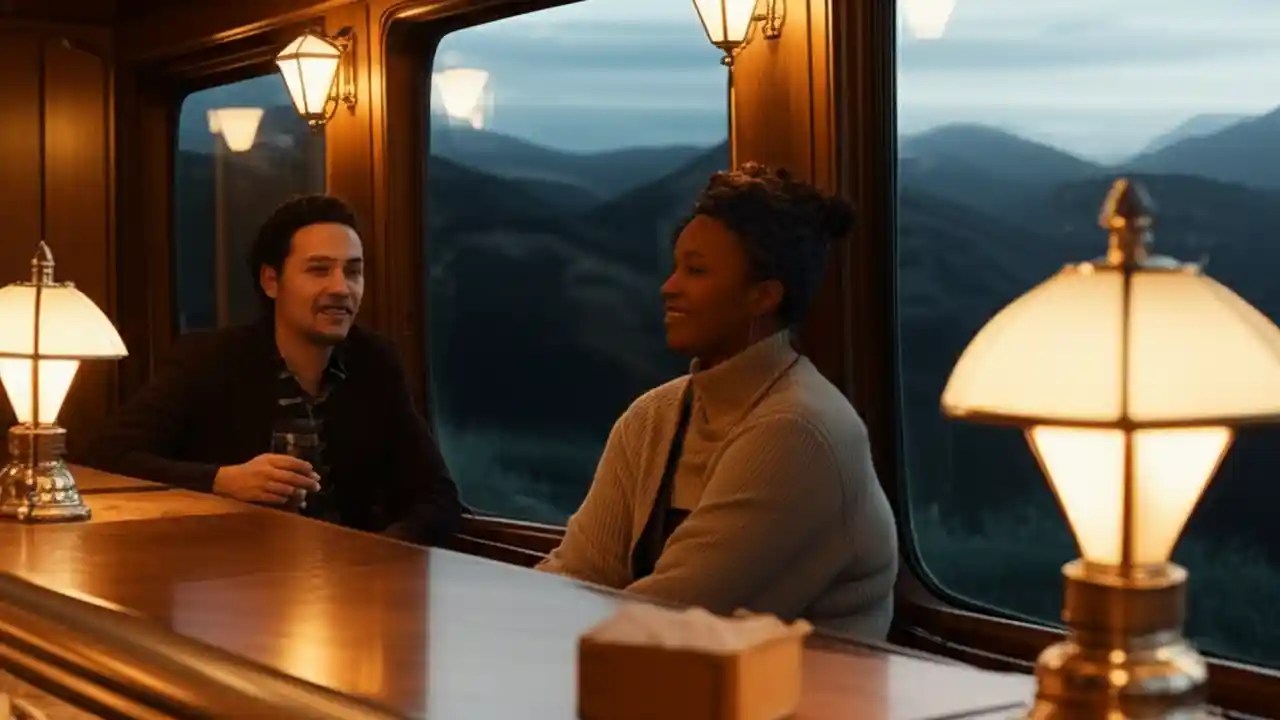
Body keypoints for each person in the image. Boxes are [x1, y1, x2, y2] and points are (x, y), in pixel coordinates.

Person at [537, 163, 898, 638]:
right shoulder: (653, 417)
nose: (669, 287)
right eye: (676, 266)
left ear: (763, 296)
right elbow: (579, 571)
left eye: (696, 270)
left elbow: (675, 613)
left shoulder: (799, 432)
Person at [83, 195, 463, 544]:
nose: (341, 288)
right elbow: (105, 454)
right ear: (271, 280)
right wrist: (221, 481)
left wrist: (381, 551)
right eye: (318, 270)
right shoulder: (210, 360)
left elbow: (437, 497)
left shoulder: (375, 363)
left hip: (350, 581)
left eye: (353, 272)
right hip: (229, 577)